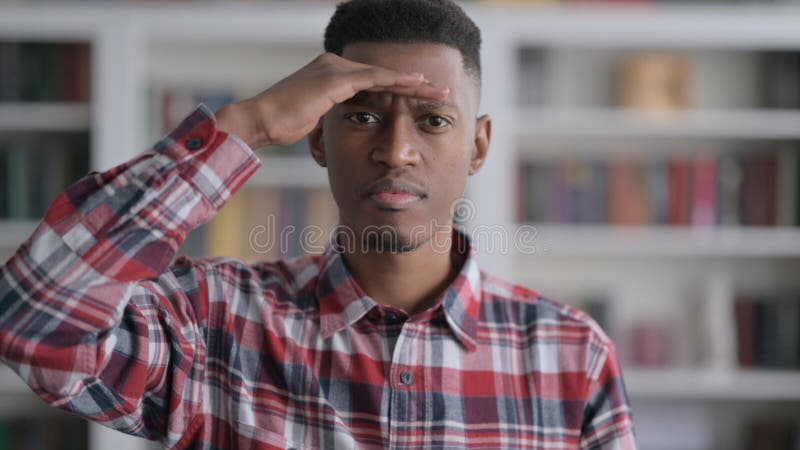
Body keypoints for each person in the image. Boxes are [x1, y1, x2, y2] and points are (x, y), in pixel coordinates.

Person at [0, 0, 636, 449]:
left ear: (478, 146)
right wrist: (248, 125)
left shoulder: (570, 353)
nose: (396, 150)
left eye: (434, 121)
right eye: (360, 118)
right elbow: (34, 322)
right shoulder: (215, 323)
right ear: (316, 139)